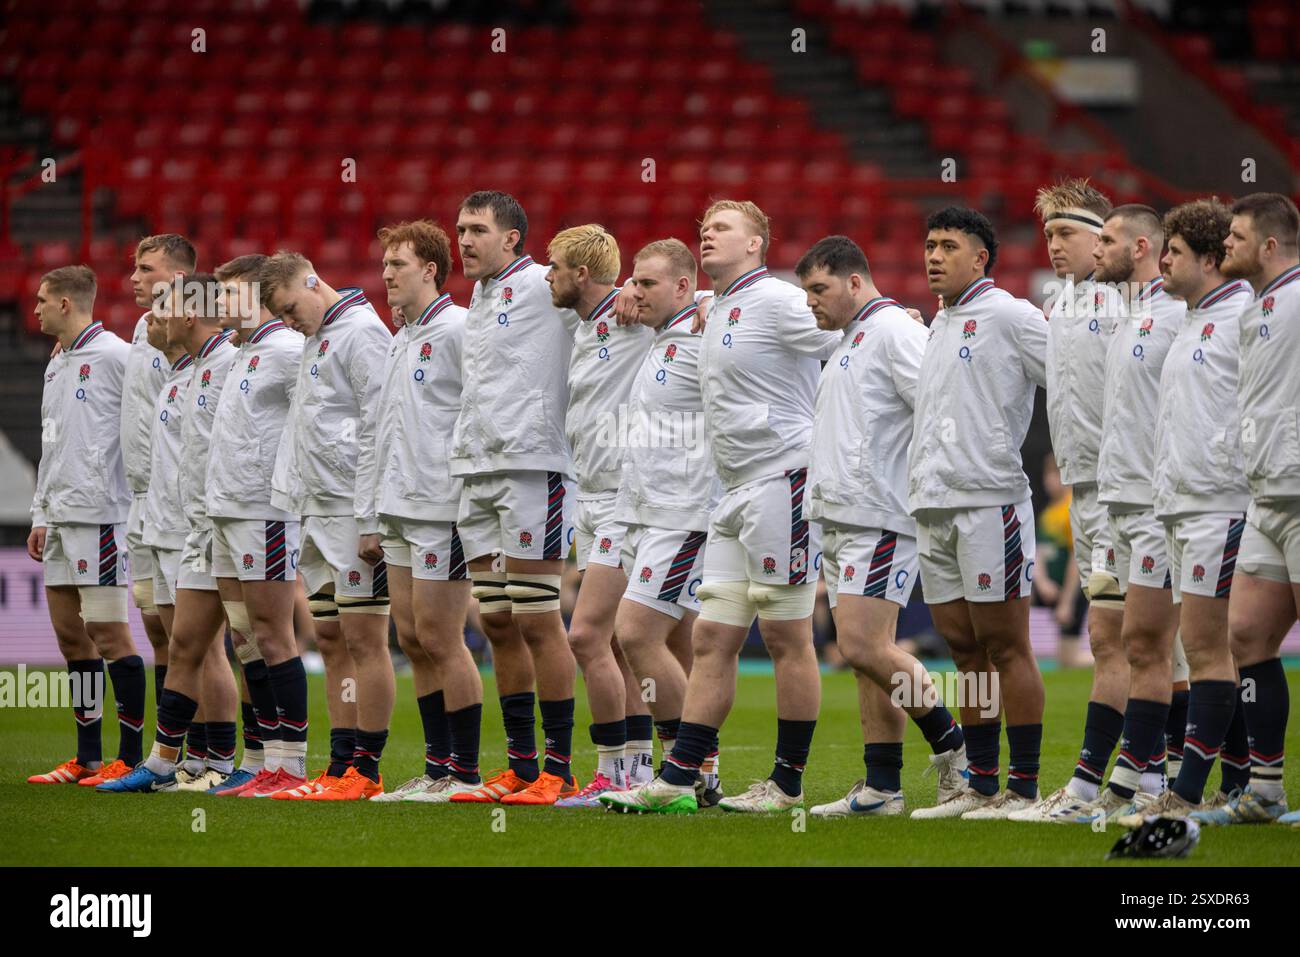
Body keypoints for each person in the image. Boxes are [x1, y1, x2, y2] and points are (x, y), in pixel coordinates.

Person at [603, 199, 840, 814]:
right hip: (732, 493)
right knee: (710, 637)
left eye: (722, 229)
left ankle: (787, 784)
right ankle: (685, 775)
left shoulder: (782, 300)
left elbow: (848, 331)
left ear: (757, 242)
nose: (707, 235)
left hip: (780, 478)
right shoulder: (720, 309)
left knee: (788, 637)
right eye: (703, 228)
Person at [795, 235, 967, 819]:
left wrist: (927, 492)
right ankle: (882, 788)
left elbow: (941, 406)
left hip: (881, 516)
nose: (811, 302)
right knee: (872, 657)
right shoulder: (850, 338)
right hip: (844, 519)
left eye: (818, 289)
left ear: (854, 281)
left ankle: (953, 747)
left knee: (861, 647)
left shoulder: (894, 330)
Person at [1110, 198, 1252, 824]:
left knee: (1209, 649)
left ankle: (1188, 794)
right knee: (1204, 649)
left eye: (1174, 252)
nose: (1162, 260)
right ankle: (1245, 784)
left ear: (1212, 260)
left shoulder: (1244, 319)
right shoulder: (1192, 318)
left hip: (1218, 505)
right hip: (1176, 506)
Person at [906, 207, 1047, 820]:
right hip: (933, 506)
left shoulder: (1013, 315)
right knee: (963, 650)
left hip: (990, 504)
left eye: (948, 246)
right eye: (929, 245)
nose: (933, 255)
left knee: (1006, 646)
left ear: (980, 258)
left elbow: (1067, 379)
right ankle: (982, 786)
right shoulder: (938, 322)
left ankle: (1024, 786)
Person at [447, 191, 582, 806]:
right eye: (459, 230)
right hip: (477, 472)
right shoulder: (476, 297)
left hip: (533, 468)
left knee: (536, 619)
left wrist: (697, 304)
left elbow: (615, 289)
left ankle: (559, 768)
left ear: (513, 239)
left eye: (477, 230)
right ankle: (522, 766)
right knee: (497, 622)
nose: (464, 241)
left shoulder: (543, 287)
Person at [261, 252, 393, 800]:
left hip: (351, 512)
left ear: (313, 281)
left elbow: (382, 426)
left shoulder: (362, 331)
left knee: (366, 640)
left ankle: (368, 767)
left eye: (291, 308)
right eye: (281, 316)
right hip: (316, 510)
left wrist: (372, 518)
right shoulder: (319, 334)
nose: (289, 321)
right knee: (332, 638)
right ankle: (340, 765)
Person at [362, 221, 485, 804]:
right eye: (385, 265)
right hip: (398, 507)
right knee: (411, 637)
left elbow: (479, 412)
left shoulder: (460, 329)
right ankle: (437, 769)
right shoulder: (399, 337)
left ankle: (464, 772)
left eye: (398, 265)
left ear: (431, 270)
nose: (386, 275)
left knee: (442, 635)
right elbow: (381, 430)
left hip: (440, 505)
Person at [538, 224, 658, 807]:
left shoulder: (635, 315)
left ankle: (614, 773)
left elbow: (698, 293)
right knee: (612, 645)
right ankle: (636, 770)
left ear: (582, 274)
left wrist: (640, 286)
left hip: (625, 500)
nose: (547, 273)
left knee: (584, 636)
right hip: (590, 495)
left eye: (555, 265)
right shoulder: (579, 320)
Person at [1192, 192, 1300, 826]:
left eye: (1235, 236)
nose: (1224, 245)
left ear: (1268, 245)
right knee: (1247, 636)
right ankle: (1264, 791)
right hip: (1265, 498)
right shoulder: (1250, 308)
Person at [1079, 205, 1186, 823]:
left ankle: (1118, 788)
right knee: (1121, 642)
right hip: (1113, 508)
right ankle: (1150, 779)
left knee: (1159, 647)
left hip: (1156, 506)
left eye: (1109, 240)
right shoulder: (1128, 314)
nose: (1099, 250)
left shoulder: (1179, 316)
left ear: (1142, 246)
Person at [608, 238, 721, 805]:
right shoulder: (660, 336)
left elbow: (788, 326)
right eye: (632, 279)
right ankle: (702, 777)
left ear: (683, 287)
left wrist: (712, 300)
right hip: (647, 511)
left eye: (647, 282)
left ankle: (680, 771)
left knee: (634, 633)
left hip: (684, 512)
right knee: (675, 642)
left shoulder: (709, 332)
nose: (634, 290)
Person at [26, 266, 145, 786]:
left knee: (109, 635)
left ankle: (133, 755)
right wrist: (40, 512)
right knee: (72, 639)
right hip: (58, 519)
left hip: (99, 516)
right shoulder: (56, 363)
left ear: (67, 304)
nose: (34, 309)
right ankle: (88, 757)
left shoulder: (117, 356)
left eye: (42, 300)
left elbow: (142, 426)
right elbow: (51, 445)